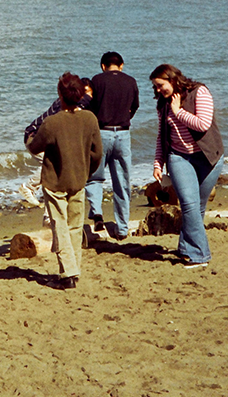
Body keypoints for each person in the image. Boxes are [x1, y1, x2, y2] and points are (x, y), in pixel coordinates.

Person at [26, 73, 102, 290]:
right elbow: (97, 153)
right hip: (79, 179)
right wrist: (87, 171)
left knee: (60, 225)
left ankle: (68, 272)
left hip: (55, 181)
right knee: (75, 226)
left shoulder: (52, 123)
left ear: (60, 94)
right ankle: (72, 270)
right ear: (81, 94)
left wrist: (30, 136)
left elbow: (34, 146)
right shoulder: (90, 119)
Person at [150, 64, 224, 269]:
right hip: (179, 157)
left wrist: (178, 112)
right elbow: (161, 137)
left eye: (160, 85)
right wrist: (158, 163)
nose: (158, 91)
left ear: (172, 79)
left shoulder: (199, 92)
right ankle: (200, 255)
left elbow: (203, 124)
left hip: (208, 157)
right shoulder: (163, 105)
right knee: (189, 205)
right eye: (155, 87)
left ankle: (186, 248)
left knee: (198, 206)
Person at [85, 52, 140, 239]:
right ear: (121, 65)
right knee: (122, 182)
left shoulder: (97, 81)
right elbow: (135, 106)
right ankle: (123, 228)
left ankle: (97, 212)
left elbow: (90, 107)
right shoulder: (131, 81)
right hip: (123, 133)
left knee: (94, 176)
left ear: (103, 66)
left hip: (102, 131)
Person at [21, 77, 92, 208]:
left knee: (58, 173)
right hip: (34, 136)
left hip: (47, 138)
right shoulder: (65, 103)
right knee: (51, 166)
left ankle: (48, 216)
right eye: (85, 92)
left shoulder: (74, 107)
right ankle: (29, 187)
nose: (87, 96)